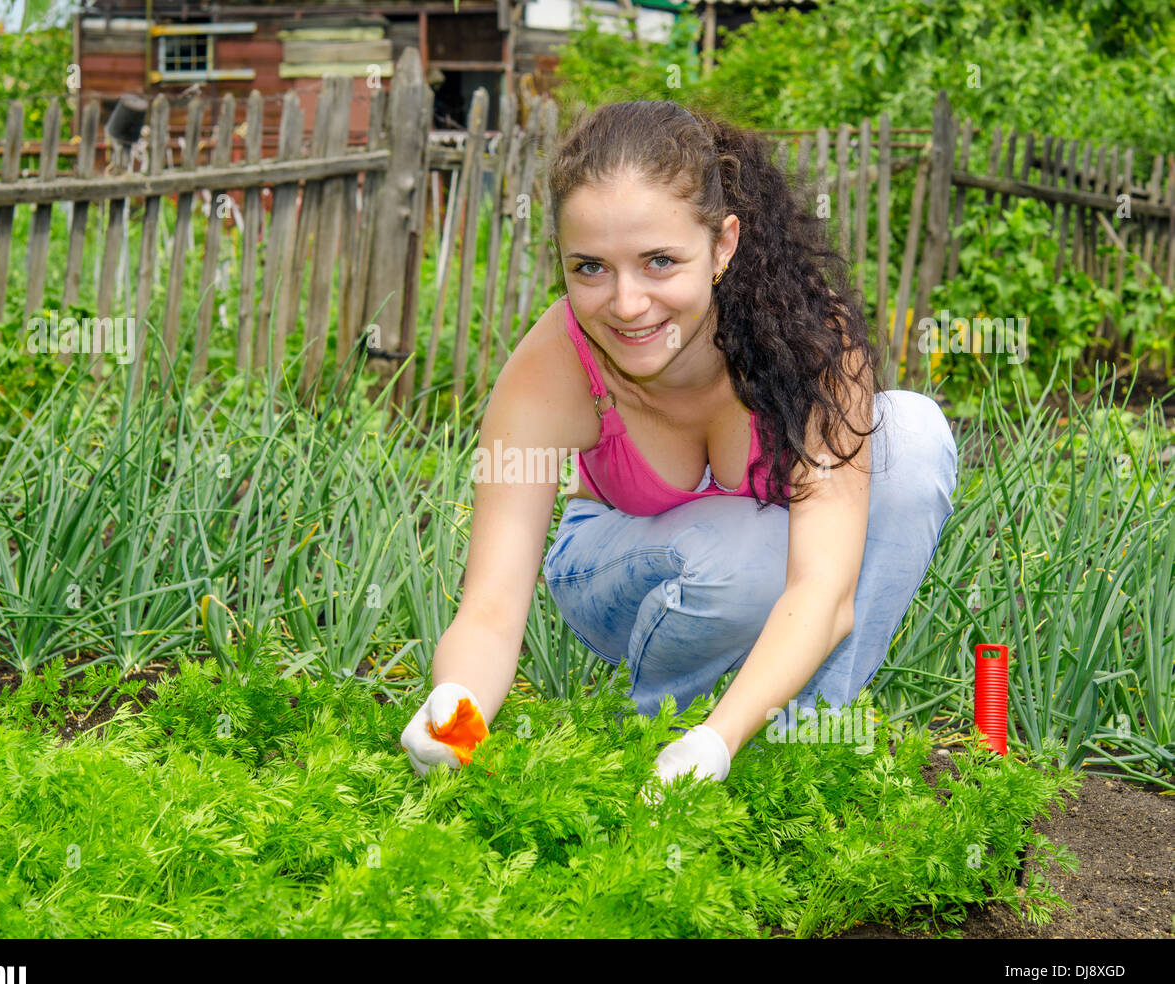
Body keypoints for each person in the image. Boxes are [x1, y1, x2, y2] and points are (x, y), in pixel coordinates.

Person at [400, 100, 958, 801]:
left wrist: (716, 746)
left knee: (910, 436)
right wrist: (456, 717)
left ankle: (794, 742)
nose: (627, 303)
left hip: (757, 566)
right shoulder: (550, 371)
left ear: (723, 245)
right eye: (591, 267)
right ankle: (649, 733)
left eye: (659, 261)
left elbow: (826, 589)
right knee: (748, 551)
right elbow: (490, 606)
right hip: (610, 570)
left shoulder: (812, 339)